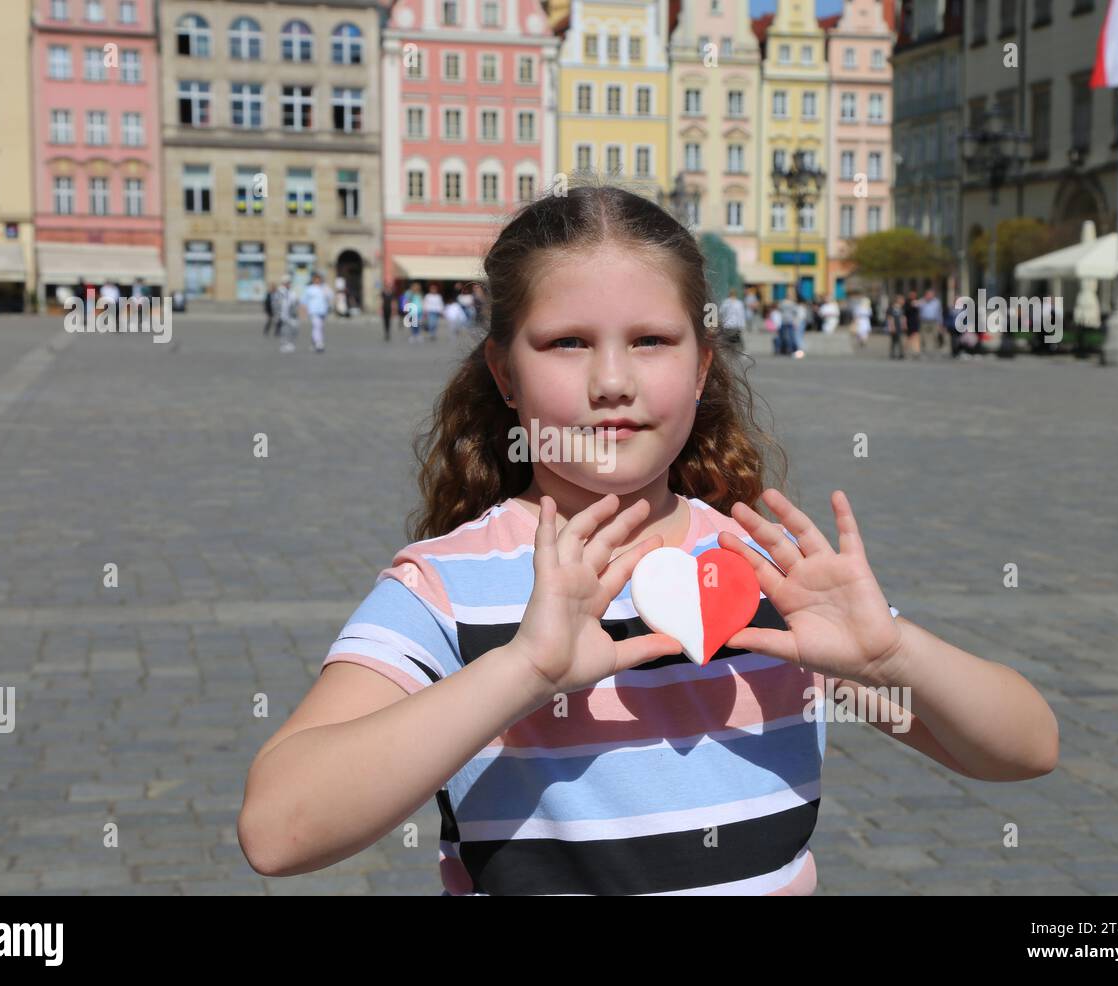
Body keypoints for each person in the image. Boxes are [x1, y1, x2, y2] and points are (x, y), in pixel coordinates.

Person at [237, 185, 1060, 895]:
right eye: (567, 342)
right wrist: (521, 670)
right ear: (503, 372)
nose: (612, 382)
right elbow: (280, 829)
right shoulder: (447, 585)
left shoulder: (770, 572)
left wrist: (891, 660)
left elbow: (1025, 749)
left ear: (702, 368)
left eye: (651, 341)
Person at [302, 272, 332, 353]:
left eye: (319, 279)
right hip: (313, 311)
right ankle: (319, 343)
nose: (318, 280)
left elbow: (330, 296)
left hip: (322, 311)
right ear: (313, 280)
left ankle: (313, 343)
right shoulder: (309, 289)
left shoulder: (324, 287)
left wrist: (326, 291)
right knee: (317, 326)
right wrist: (304, 311)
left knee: (319, 327)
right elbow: (304, 300)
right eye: (316, 279)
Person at [278, 274, 300, 353]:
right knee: (285, 330)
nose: (289, 284)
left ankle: (290, 343)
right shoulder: (280, 291)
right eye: (287, 282)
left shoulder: (292, 292)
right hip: (283, 314)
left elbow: (296, 301)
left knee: (294, 328)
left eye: (289, 282)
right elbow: (277, 303)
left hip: (292, 314)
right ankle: (284, 344)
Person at [887, 294, 906, 359]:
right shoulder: (891, 308)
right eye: (901, 299)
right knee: (894, 341)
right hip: (894, 326)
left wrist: (904, 325)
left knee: (900, 340)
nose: (903, 301)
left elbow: (902, 317)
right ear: (897, 300)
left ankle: (901, 354)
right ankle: (893, 354)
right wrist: (892, 326)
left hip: (899, 326)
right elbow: (890, 318)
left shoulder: (901, 308)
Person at [903, 290, 921, 358]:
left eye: (914, 295)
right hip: (909, 322)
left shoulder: (917, 302)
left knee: (916, 336)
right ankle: (904, 350)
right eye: (912, 295)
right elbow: (905, 313)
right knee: (909, 337)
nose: (913, 296)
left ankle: (916, 351)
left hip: (915, 322)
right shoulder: (907, 303)